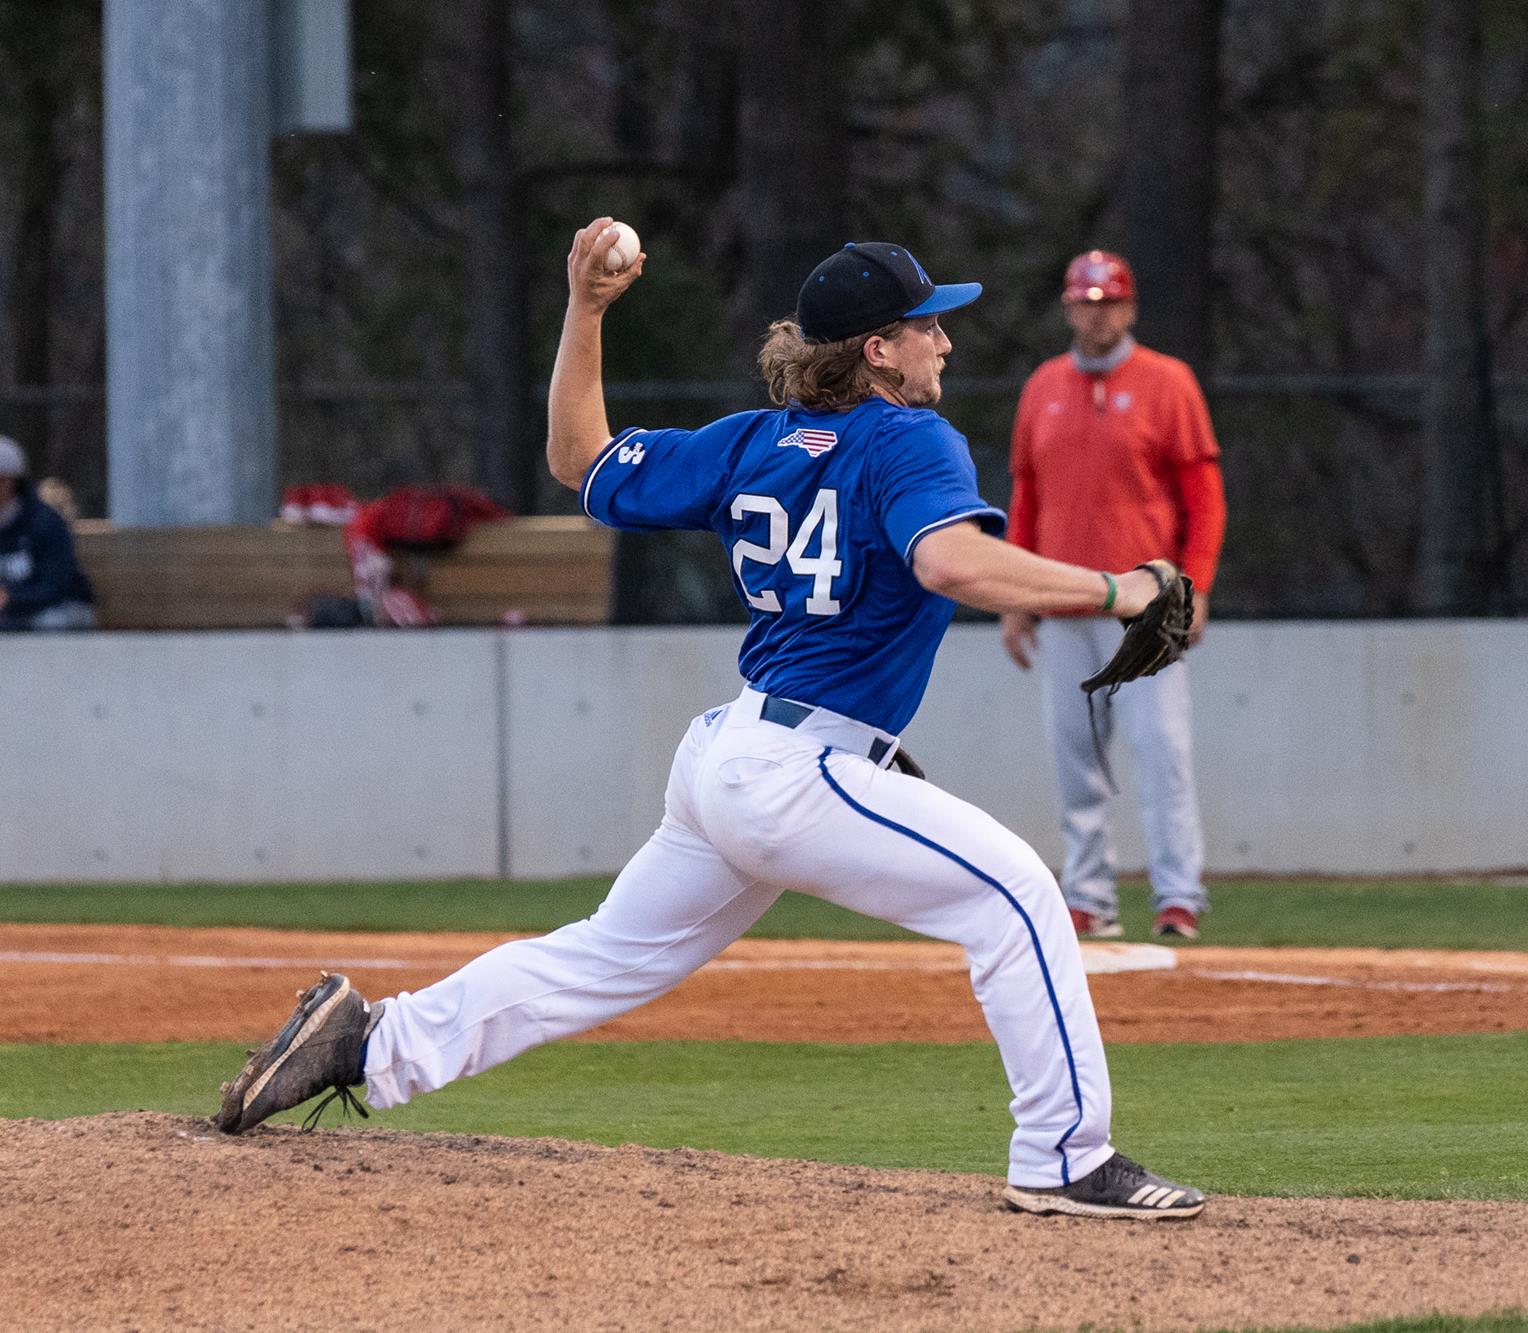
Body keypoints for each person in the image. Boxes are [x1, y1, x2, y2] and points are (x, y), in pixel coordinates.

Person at [213, 221, 1205, 1221]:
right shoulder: (908, 438)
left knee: (608, 955)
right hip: (793, 771)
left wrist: (584, 312)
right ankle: (1064, 1154)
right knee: (1020, 895)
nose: (943, 342)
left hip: (733, 757)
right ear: (875, 350)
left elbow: (578, 459)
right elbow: (949, 562)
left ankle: (371, 1042)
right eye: (924, 327)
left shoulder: (751, 440)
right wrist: (1120, 587)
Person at [1000, 251, 1225, 941]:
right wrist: (1015, 595)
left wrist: (1197, 584)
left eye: (1109, 301)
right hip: (1066, 601)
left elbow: (1203, 496)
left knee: (1162, 752)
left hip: (1145, 604)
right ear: (1069, 308)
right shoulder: (1043, 385)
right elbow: (1026, 494)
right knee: (1077, 759)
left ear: (1129, 308)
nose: (1097, 312)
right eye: (1085, 301)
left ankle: (1177, 895)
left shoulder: (1168, 381)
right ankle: (1089, 895)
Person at [0, 436, 95, 632]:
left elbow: (56, 586)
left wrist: (12, 598)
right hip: (12, 613)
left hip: (58, 607)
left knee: (51, 620)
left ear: (8, 482)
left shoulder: (44, 523)